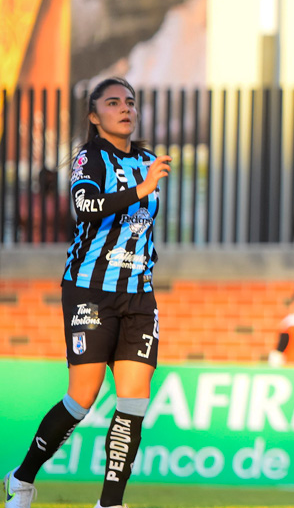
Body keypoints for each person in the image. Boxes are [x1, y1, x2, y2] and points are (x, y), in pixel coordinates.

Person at [4, 77, 171, 508]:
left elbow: (141, 228)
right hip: (90, 293)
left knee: (134, 400)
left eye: (130, 102)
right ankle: (22, 478)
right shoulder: (90, 158)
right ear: (95, 117)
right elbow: (86, 206)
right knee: (82, 396)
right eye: (113, 102)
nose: (125, 108)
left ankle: (110, 503)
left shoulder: (149, 161)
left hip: (138, 294)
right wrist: (139, 190)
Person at [16, 167, 72, 244]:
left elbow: (69, 223)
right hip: (33, 245)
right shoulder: (28, 199)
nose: (48, 181)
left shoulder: (61, 200)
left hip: (54, 244)